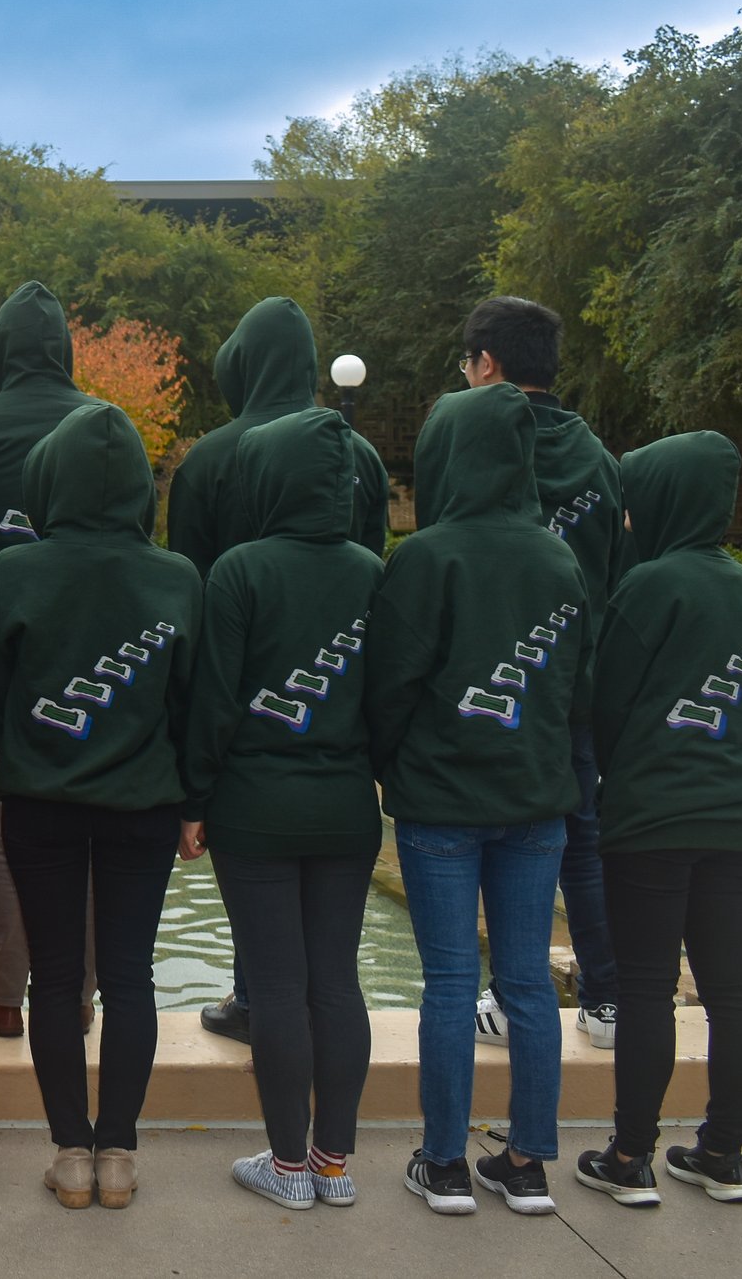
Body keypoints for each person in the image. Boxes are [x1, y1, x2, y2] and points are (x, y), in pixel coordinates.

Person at [366, 382, 589, 1217]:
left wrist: (393, 767)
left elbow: (390, 685)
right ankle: (529, 1163)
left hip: (443, 804)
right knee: (527, 983)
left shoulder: (427, 556)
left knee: (452, 983)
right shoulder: (556, 557)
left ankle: (446, 1162)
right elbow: (576, 683)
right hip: (537, 798)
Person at [0, 401, 200, 1212]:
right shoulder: (176, 576)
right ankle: (120, 1155)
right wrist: (193, 800)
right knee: (131, 976)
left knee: (55, 978)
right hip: (143, 802)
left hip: (41, 802)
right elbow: (190, 704)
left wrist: (18, 771)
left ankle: (70, 1151)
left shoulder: (15, 571)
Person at [166, 295, 388, 1046]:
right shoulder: (356, 454)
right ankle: (299, 1015)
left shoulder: (208, 459)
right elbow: (371, 578)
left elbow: (187, 590)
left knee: (253, 851)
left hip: (234, 690)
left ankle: (254, 993)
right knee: (328, 939)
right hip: (331, 700)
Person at [179, 408, 384, 1210]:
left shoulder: (238, 570)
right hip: (344, 806)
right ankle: (335, 1163)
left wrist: (194, 799)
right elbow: (389, 692)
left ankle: (288, 1166)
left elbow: (215, 700)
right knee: (338, 980)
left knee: (275, 980)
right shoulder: (372, 570)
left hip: (254, 808)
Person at [573, 432, 742, 1207]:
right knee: (730, 987)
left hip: (653, 818)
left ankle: (630, 1157)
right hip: (734, 818)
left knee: (650, 987)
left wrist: (624, 781)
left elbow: (608, 705)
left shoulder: (649, 586)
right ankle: (723, 1152)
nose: (628, 520)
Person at [460, 296, 625, 1052]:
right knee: (581, 843)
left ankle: (502, 997)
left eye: (466, 363)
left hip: (497, 687)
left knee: (496, 843)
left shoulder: (482, 443)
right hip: (577, 684)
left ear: (486, 363)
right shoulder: (597, 455)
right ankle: (607, 998)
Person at [0, 281, 97, 1040]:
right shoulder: (103, 425)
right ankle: (74, 995)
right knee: (89, 827)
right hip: (93, 661)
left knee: (6, 828)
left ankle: (1, 994)